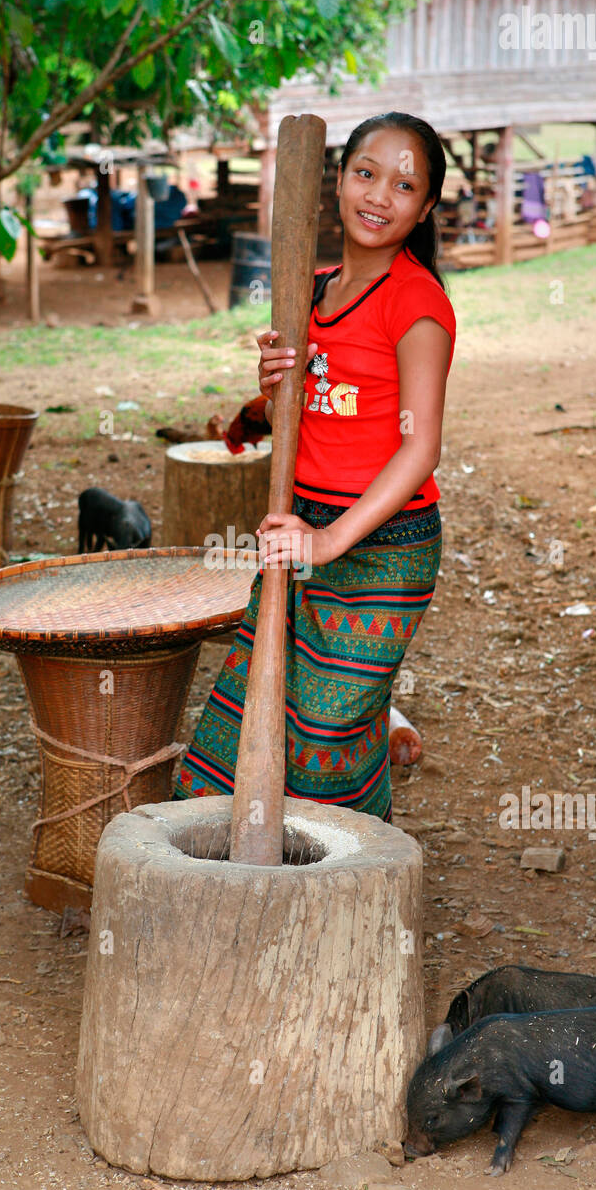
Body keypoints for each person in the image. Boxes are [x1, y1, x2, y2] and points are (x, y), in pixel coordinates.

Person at [172, 112, 455, 822]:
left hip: (384, 548)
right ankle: (235, 867)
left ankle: (354, 876)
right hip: (300, 531)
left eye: (403, 184)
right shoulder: (310, 289)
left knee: (324, 739)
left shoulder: (417, 306)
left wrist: (331, 541)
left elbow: (420, 447)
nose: (379, 195)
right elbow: (304, 411)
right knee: (242, 725)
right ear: (338, 178)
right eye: (366, 172)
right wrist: (274, 387)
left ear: (424, 208)